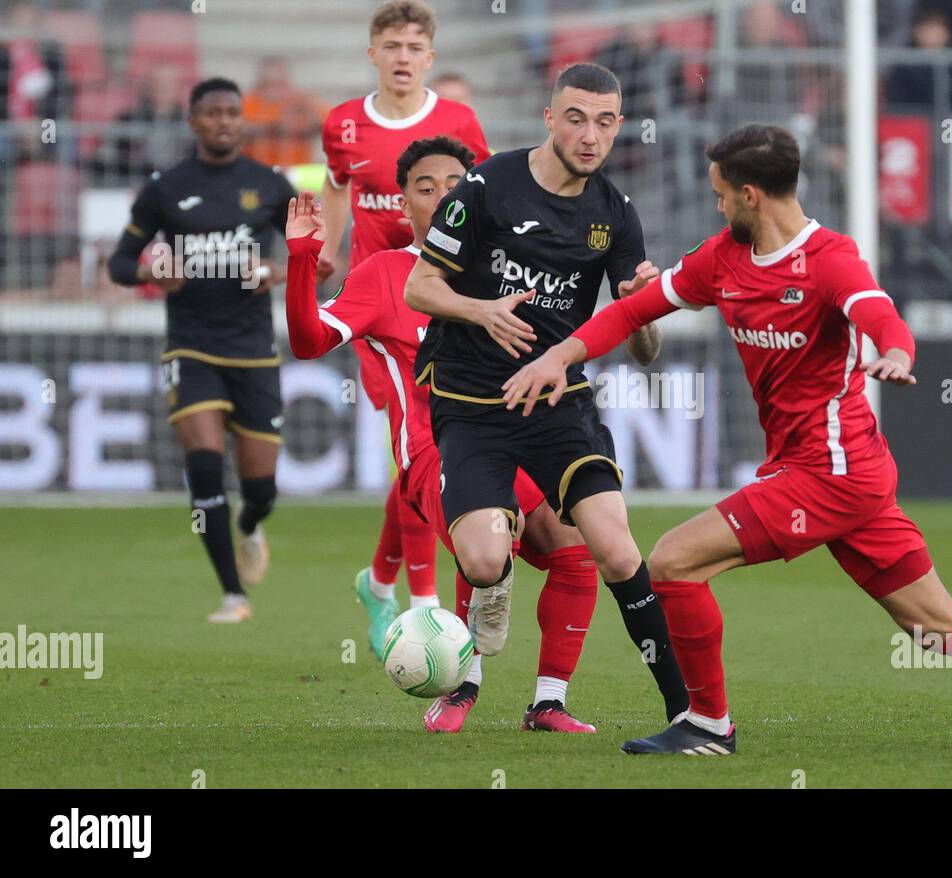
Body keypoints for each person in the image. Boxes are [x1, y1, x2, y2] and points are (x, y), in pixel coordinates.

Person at [501, 124, 952, 756]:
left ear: (749, 194)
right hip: (844, 473)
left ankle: (707, 723)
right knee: (936, 625)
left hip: (828, 472)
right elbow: (634, 310)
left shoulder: (829, 261)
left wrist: (898, 353)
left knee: (673, 561)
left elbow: (881, 314)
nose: (715, 209)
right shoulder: (725, 259)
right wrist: (560, 357)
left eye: (719, 196)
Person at [402, 62, 689, 724]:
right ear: (550, 118)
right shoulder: (485, 185)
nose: (591, 135)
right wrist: (481, 311)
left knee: (615, 549)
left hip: (559, 403)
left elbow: (643, 350)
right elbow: (420, 286)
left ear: (619, 127)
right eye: (578, 118)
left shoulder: (616, 214)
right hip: (472, 405)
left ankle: (687, 711)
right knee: (481, 555)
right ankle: (491, 588)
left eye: (606, 122)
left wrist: (644, 311)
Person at [285, 137, 602, 733]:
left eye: (455, 184)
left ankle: (549, 703)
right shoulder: (383, 274)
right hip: (434, 450)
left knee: (578, 548)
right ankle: (462, 689)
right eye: (425, 188)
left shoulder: (506, 265)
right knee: (488, 537)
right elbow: (308, 343)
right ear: (403, 204)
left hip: (513, 434)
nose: (441, 197)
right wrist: (301, 260)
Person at [318, 0, 491, 631]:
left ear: (430, 57)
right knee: (420, 447)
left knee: (428, 450)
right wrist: (329, 254)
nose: (402, 58)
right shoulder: (342, 125)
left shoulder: (460, 122)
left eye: (414, 48)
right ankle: (424, 609)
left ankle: (379, 581)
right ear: (373, 53)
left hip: (446, 297)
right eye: (391, 46)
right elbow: (338, 187)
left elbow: (481, 196)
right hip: (380, 305)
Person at [107, 78, 295, 623]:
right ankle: (234, 595)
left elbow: (312, 257)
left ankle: (251, 523)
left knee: (261, 487)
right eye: (212, 113)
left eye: (232, 113)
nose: (223, 122)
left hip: (254, 351)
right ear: (193, 121)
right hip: (191, 349)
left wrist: (276, 271)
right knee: (207, 468)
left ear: (242, 120)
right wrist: (150, 272)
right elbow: (120, 262)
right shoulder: (165, 188)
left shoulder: (270, 185)